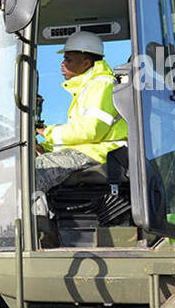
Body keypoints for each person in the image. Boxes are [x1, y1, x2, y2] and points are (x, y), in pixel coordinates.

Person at [34, 32, 126, 211]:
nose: (62, 64)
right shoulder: (88, 87)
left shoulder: (101, 85)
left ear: (86, 62)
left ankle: (39, 233)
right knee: (27, 164)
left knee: (34, 172)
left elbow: (91, 131)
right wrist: (45, 148)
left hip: (104, 153)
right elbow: (82, 139)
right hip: (91, 150)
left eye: (68, 59)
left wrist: (48, 133)